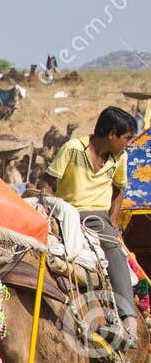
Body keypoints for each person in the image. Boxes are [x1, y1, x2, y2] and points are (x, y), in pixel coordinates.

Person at [38, 106, 138, 346]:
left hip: (97, 217)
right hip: (68, 212)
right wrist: (50, 212)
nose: (129, 144)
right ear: (112, 134)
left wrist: (112, 221)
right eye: (127, 138)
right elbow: (48, 183)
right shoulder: (73, 149)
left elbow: (119, 187)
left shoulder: (120, 157)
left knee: (114, 251)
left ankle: (129, 321)